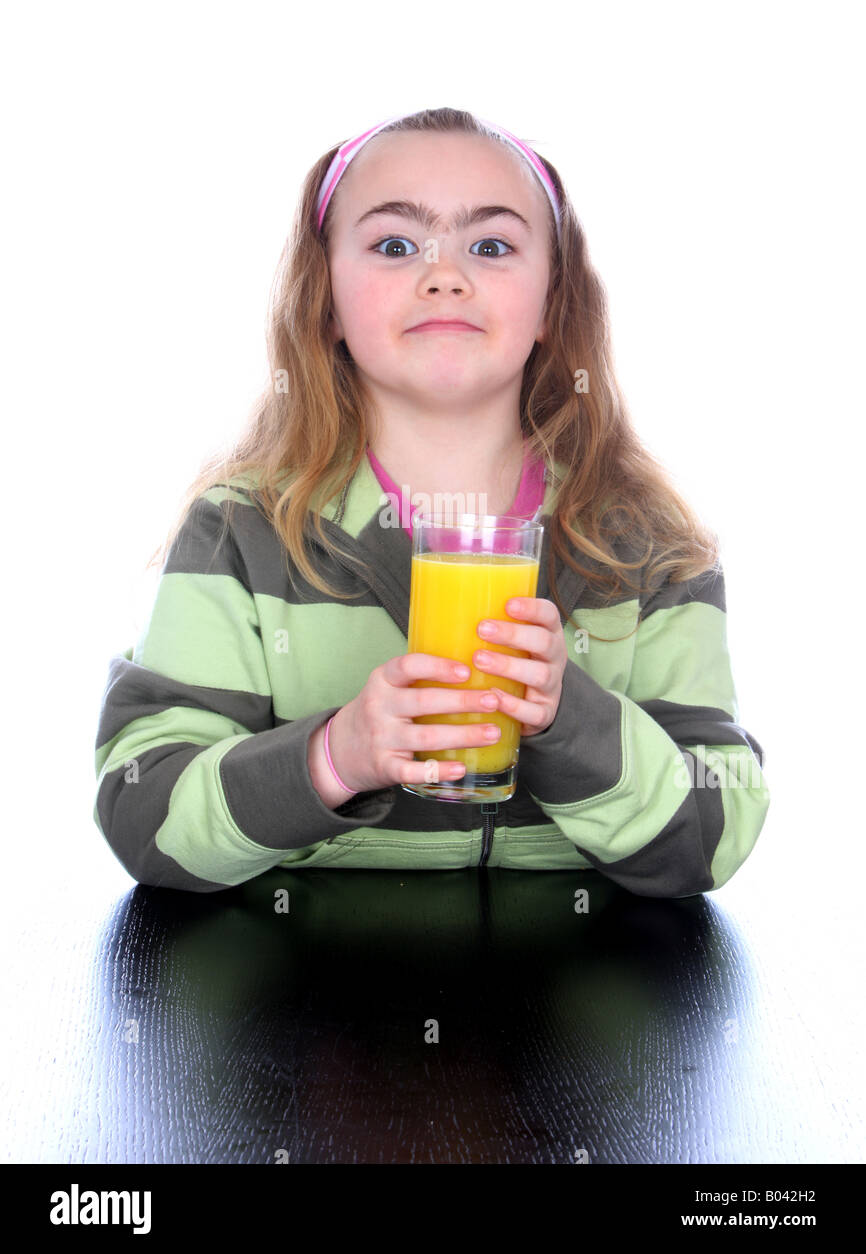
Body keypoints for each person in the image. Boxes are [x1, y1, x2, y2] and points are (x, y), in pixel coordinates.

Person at [94, 106, 769, 894]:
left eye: (490, 245)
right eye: (394, 245)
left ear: (553, 302)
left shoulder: (645, 545)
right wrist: (333, 755)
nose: (444, 274)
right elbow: (145, 814)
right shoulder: (241, 534)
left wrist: (568, 718)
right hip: (310, 988)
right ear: (326, 302)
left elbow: (715, 834)